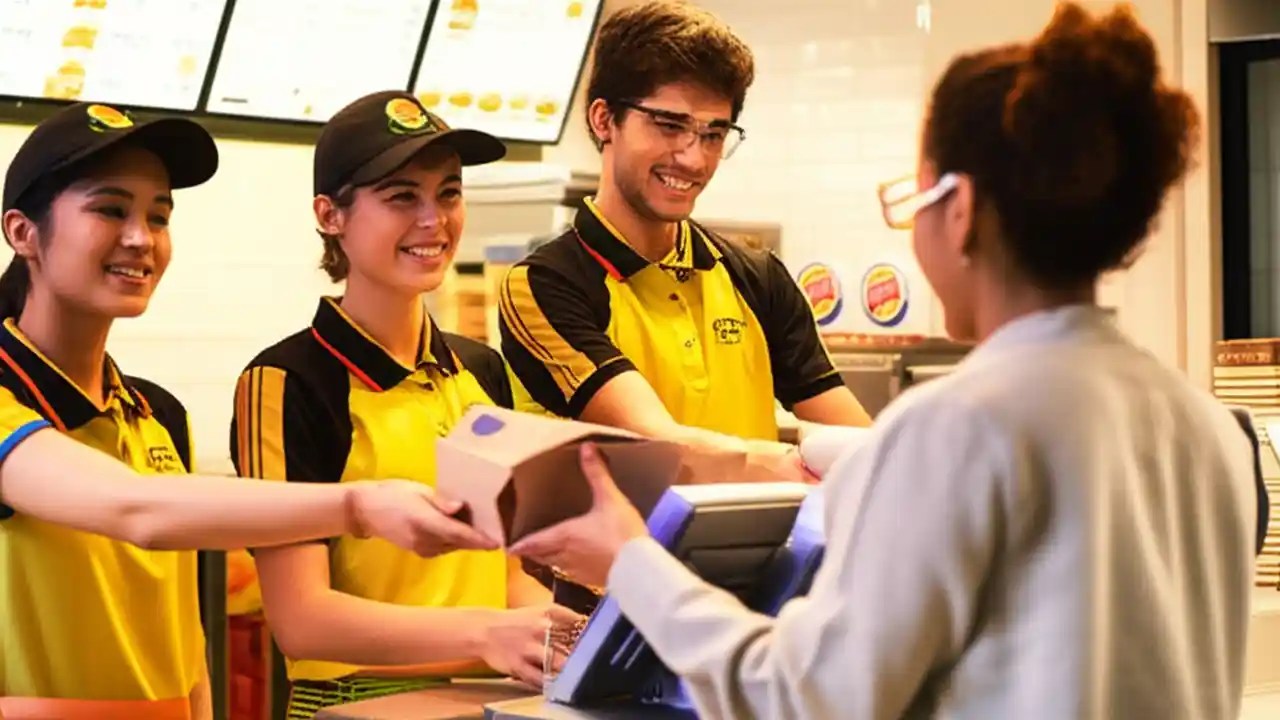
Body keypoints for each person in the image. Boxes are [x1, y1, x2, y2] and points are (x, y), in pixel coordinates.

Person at [511, 4, 1259, 719]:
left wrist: (633, 564)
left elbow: (806, 699)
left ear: (958, 210)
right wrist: (835, 453)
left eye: (914, 199)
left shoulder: (954, 428)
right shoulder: (1217, 430)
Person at [0, 103, 498, 720]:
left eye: (158, 216)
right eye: (110, 210)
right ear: (23, 233)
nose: (141, 237)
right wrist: (359, 504)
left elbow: (183, 642)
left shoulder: (158, 414)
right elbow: (138, 509)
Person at [228, 91, 576, 719]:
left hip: (499, 700)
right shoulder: (287, 381)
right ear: (330, 215)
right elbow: (302, 622)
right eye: (401, 197)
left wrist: (564, 634)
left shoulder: (481, 369)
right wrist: (485, 634)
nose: (433, 220)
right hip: (356, 704)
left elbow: (505, 574)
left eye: (448, 193)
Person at [498, 0, 871, 486]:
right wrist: (795, 463)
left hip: (758, 559)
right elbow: (657, 443)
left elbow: (857, 437)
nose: (694, 159)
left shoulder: (755, 277)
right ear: (603, 119)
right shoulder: (545, 285)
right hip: (620, 561)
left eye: (714, 133)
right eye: (670, 125)